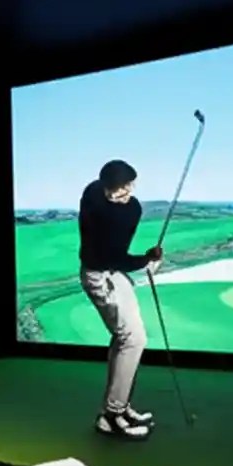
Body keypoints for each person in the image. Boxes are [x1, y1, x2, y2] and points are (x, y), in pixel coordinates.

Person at [78, 159, 162, 440]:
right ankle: (112, 415)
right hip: (100, 277)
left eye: (128, 187)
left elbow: (120, 254)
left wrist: (145, 258)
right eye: (117, 190)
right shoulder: (100, 209)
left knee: (126, 338)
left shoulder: (128, 206)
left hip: (115, 273)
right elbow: (115, 257)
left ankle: (118, 408)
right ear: (104, 188)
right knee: (133, 339)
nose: (124, 193)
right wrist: (147, 260)